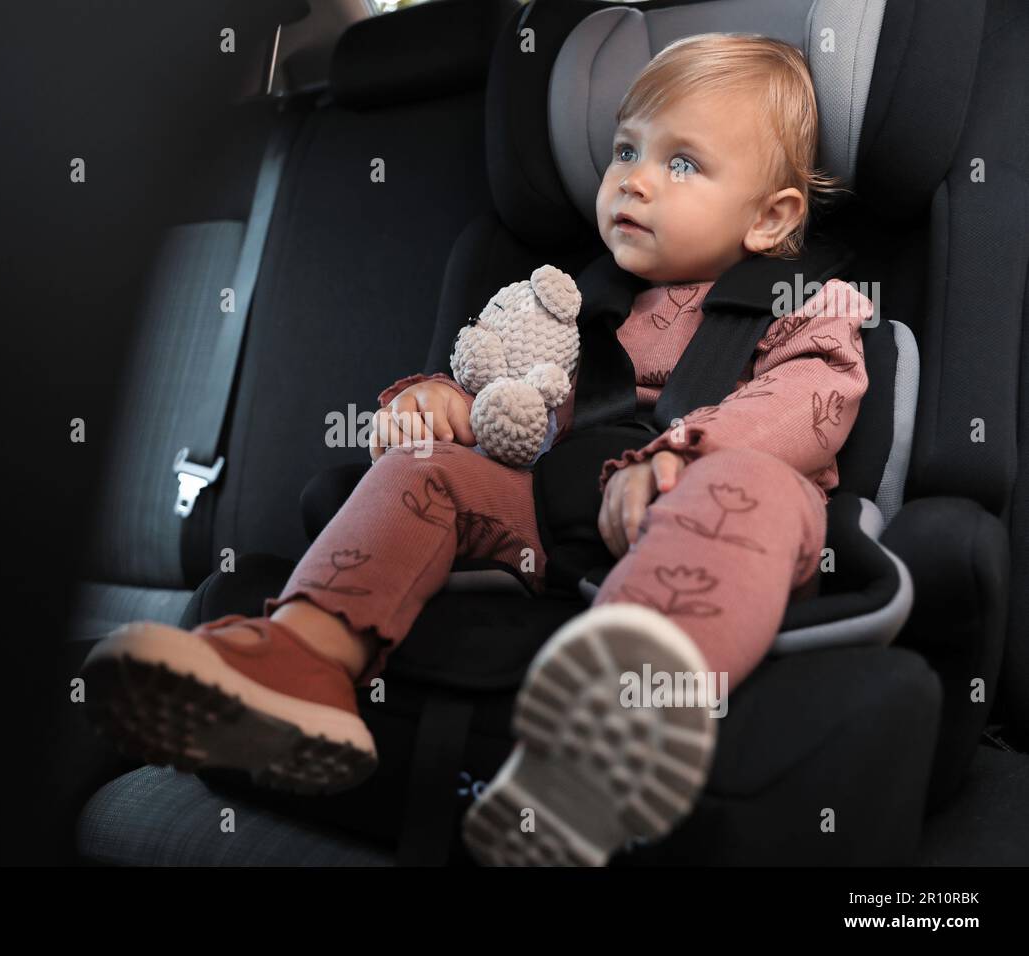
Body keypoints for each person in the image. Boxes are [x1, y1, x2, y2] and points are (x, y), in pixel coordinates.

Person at [81, 33, 874, 866]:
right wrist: (444, 404)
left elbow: (811, 400)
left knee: (752, 482)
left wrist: (691, 450)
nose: (633, 178)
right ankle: (305, 659)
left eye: (682, 164)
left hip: (719, 527)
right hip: (550, 523)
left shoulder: (811, 304)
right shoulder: (572, 307)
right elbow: (514, 404)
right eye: (625, 150)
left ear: (771, 216)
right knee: (426, 470)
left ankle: (608, 736)